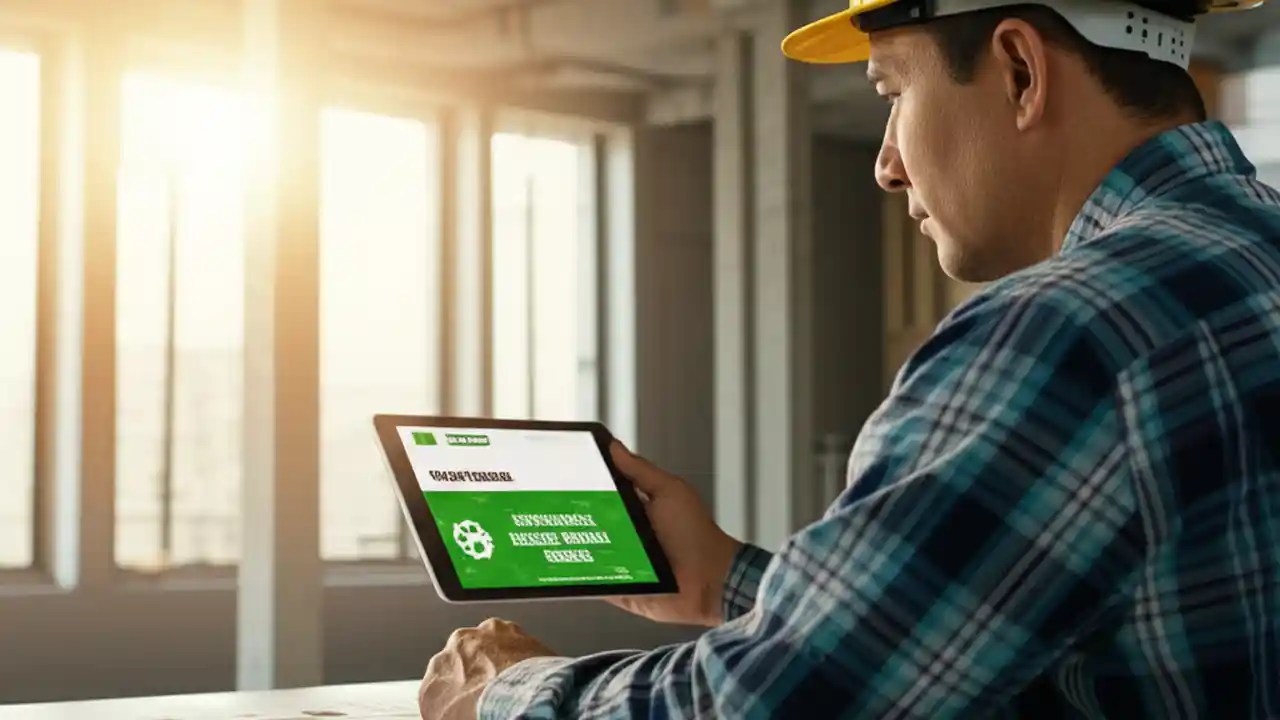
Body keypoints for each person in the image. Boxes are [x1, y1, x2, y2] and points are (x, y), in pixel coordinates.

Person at [419, 0, 1280, 716]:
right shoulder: (1247, 264)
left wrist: (505, 693)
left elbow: (776, 707)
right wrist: (730, 580)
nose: (885, 165)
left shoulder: (1064, 333)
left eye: (891, 92)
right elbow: (1029, 652)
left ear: (1019, 71)